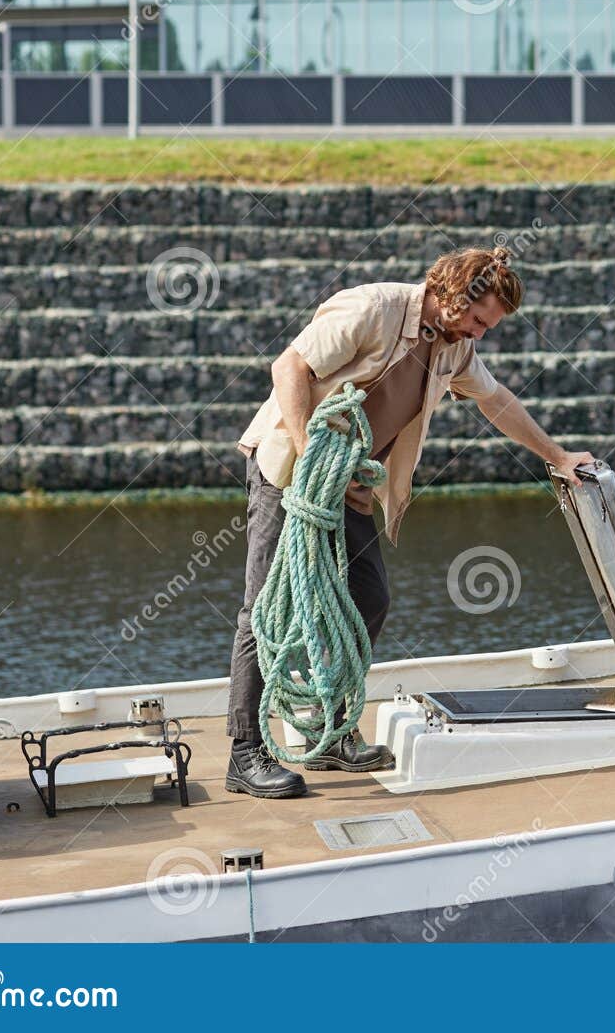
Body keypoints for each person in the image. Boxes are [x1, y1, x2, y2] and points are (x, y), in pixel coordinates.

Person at [224, 245, 594, 798]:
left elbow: (497, 403)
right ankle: (244, 753)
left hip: (349, 483)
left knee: (368, 598)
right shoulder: (372, 309)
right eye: (475, 320)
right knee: (265, 611)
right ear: (449, 295)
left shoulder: (452, 350)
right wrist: (307, 454)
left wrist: (556, 456)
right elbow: (290, 367)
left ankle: (329, 735)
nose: (477, 334)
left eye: (487, 328)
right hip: (289, 471)